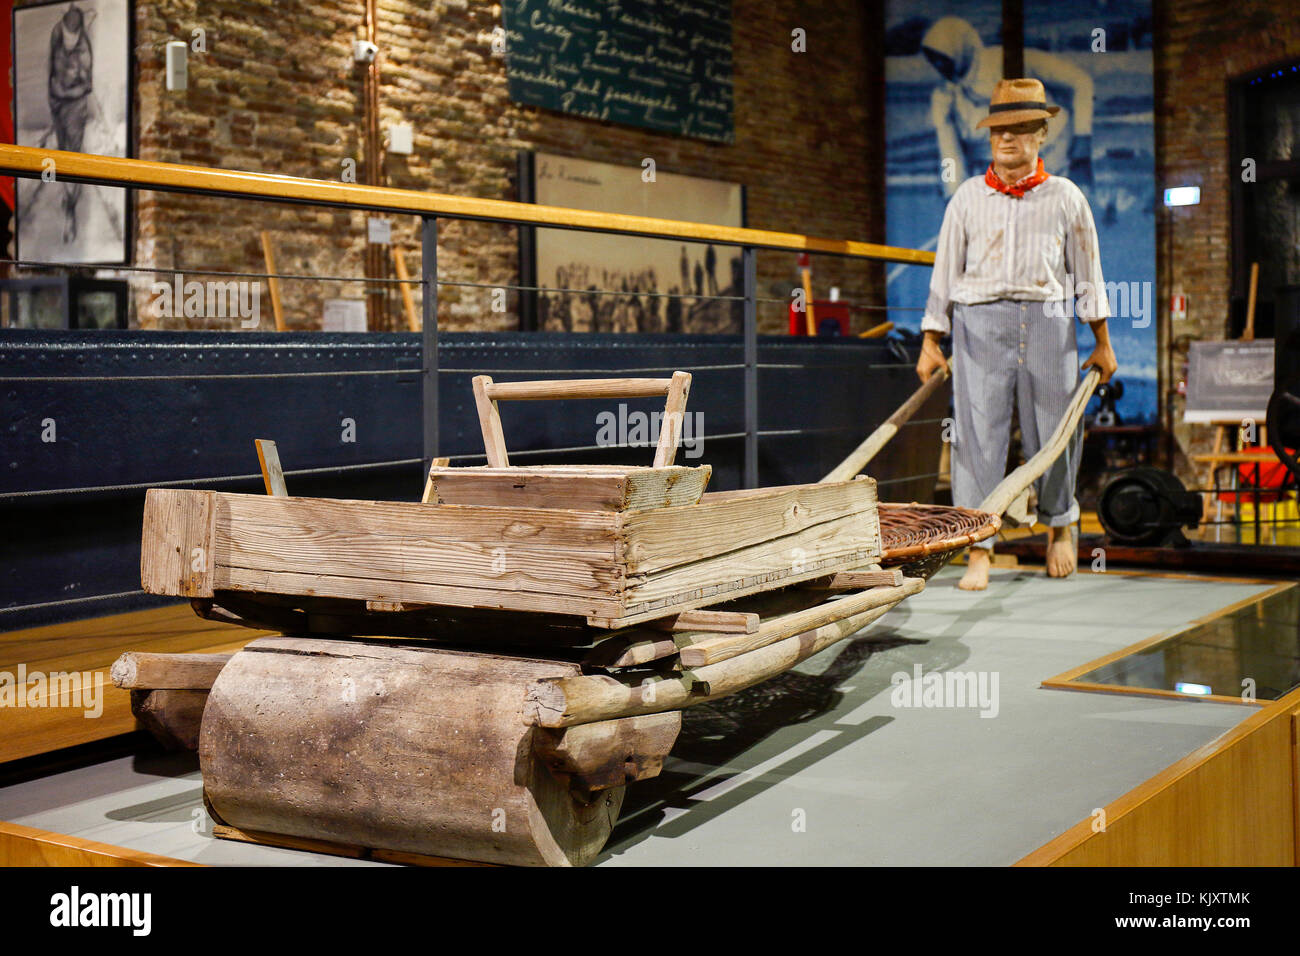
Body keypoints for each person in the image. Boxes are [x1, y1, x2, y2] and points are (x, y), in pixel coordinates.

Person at [916, 78, 1118, 591]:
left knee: (1054, 432)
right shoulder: (966, 198)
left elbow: (1087, 271)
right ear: (988, 137)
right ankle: (979, 545)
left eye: (1020, 129)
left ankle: (1060, 528)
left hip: (1049, 319)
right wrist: (931, 339)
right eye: (998, 131)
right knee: (977, 437)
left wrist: (1102, 339)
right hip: (980, 323)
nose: (1007, 140)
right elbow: (945, 272)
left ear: (1042, 133)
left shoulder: (1066, 197)